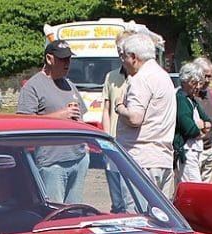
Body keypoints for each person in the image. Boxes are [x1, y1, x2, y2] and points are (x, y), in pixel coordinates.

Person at [17, 40, 89, 203]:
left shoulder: (69, 84)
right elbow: (23, 124)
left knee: (73, 215)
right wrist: (58, 117)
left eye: (69, 59)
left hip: (78, 159)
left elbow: (81, 117)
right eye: (63, 59)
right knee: (55, 215)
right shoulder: (32, 87)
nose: (67, 64)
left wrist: (85, 149)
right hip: (52, 164)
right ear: (49, 59)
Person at [113, 31, 176, 198]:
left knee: (139, 218)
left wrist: (119, 106)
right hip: (162, 158)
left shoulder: (141, 79)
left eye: (124, 57)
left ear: (134, 57)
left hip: (142, 161)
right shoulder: (164, 77)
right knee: (160, 218)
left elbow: (135, 118)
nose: (123, 62)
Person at [100, 31, 132, 212]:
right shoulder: (111, 77)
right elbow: (106, 109)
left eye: (123, 48)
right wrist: (105, 138)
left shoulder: (140, 77)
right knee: (117, 199)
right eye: (118, 48)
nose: (120, 52)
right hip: (113, 143)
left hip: (131, 142)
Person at [174, 62, 210, 185]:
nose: (198, 87)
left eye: (199, 83)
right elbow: (190, 129)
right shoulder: (181, 99)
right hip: (186, 151)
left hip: (195, 150)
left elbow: (208, 121)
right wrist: (199, 127)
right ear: (185, 82)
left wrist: (203, 126)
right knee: (194, 187)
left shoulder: (191, 99)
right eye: (194, 83)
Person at [192, 56, 212, 181]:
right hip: (195, 150)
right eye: (205, 76)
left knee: (205, 189)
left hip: (209, 149)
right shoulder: (187, 95)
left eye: (210, 76)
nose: (207, 80)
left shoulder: (207, 92)